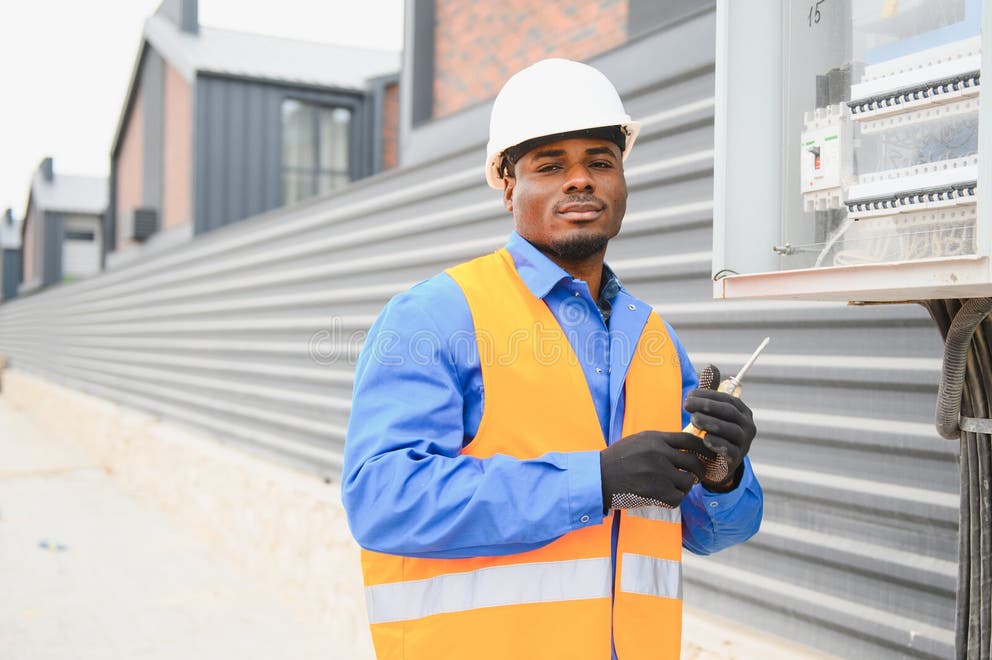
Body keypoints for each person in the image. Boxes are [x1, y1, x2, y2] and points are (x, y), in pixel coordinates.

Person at [342, 58, 763, 660]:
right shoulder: (435, 315)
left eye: (600, 161)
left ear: (622, 180)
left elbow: (716, 531)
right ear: (509, 185)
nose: (581, 181)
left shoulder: (652, 338)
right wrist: (597, 481)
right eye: (550, 165)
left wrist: (723, 475)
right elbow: (383, 499)